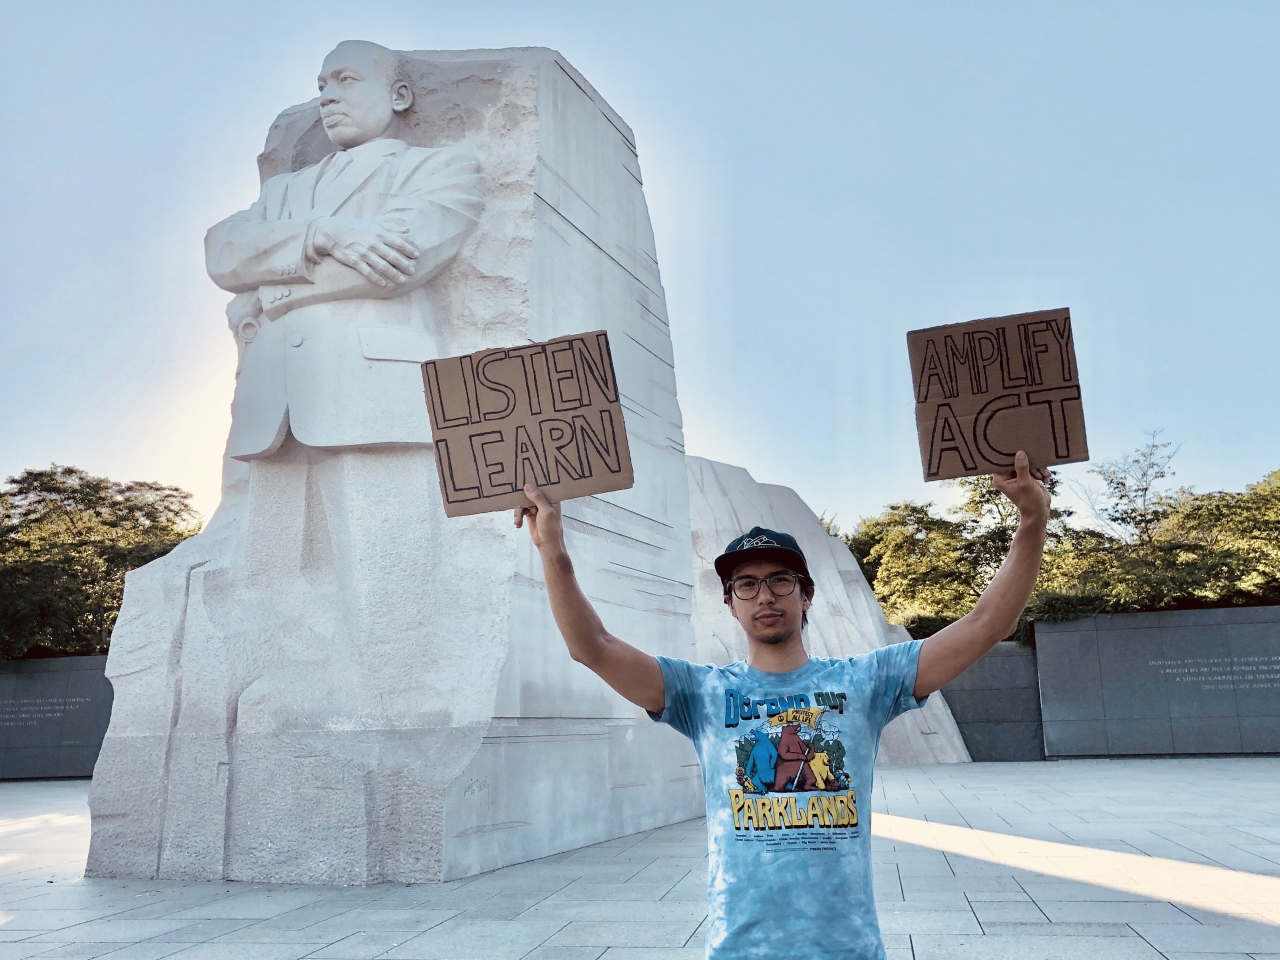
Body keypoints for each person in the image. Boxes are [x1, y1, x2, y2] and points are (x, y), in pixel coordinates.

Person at [515, 451, 1051, 959]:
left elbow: (986, 625)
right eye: (746, 585)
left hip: (846, 949)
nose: (765, 596)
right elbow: (593, 647)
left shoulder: (866, 681)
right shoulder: (701, 692)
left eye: (779, 581)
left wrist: (1031, 522)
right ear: (729, 604)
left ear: (806, 594)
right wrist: (552, 550)